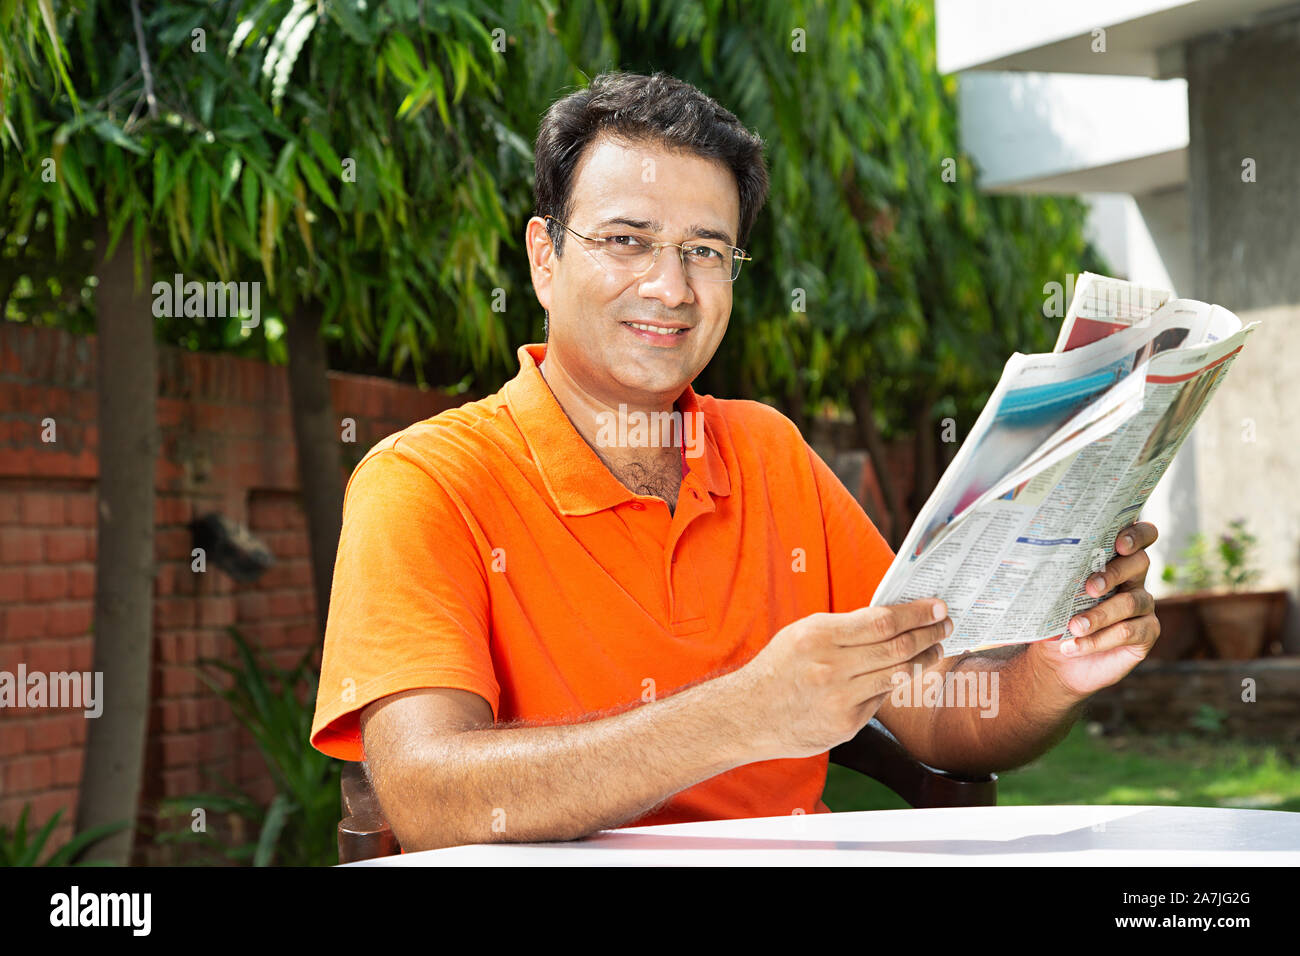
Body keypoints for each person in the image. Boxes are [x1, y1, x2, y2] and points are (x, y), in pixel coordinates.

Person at [309, 71, 1161, 852]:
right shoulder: (424, 482)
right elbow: (426, 794)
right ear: (544, 257)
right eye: (626, 239)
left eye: (706, 251)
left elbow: (939, 712)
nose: (670, 287)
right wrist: (741, 715)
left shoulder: (769, 451)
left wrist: (1052, 672)